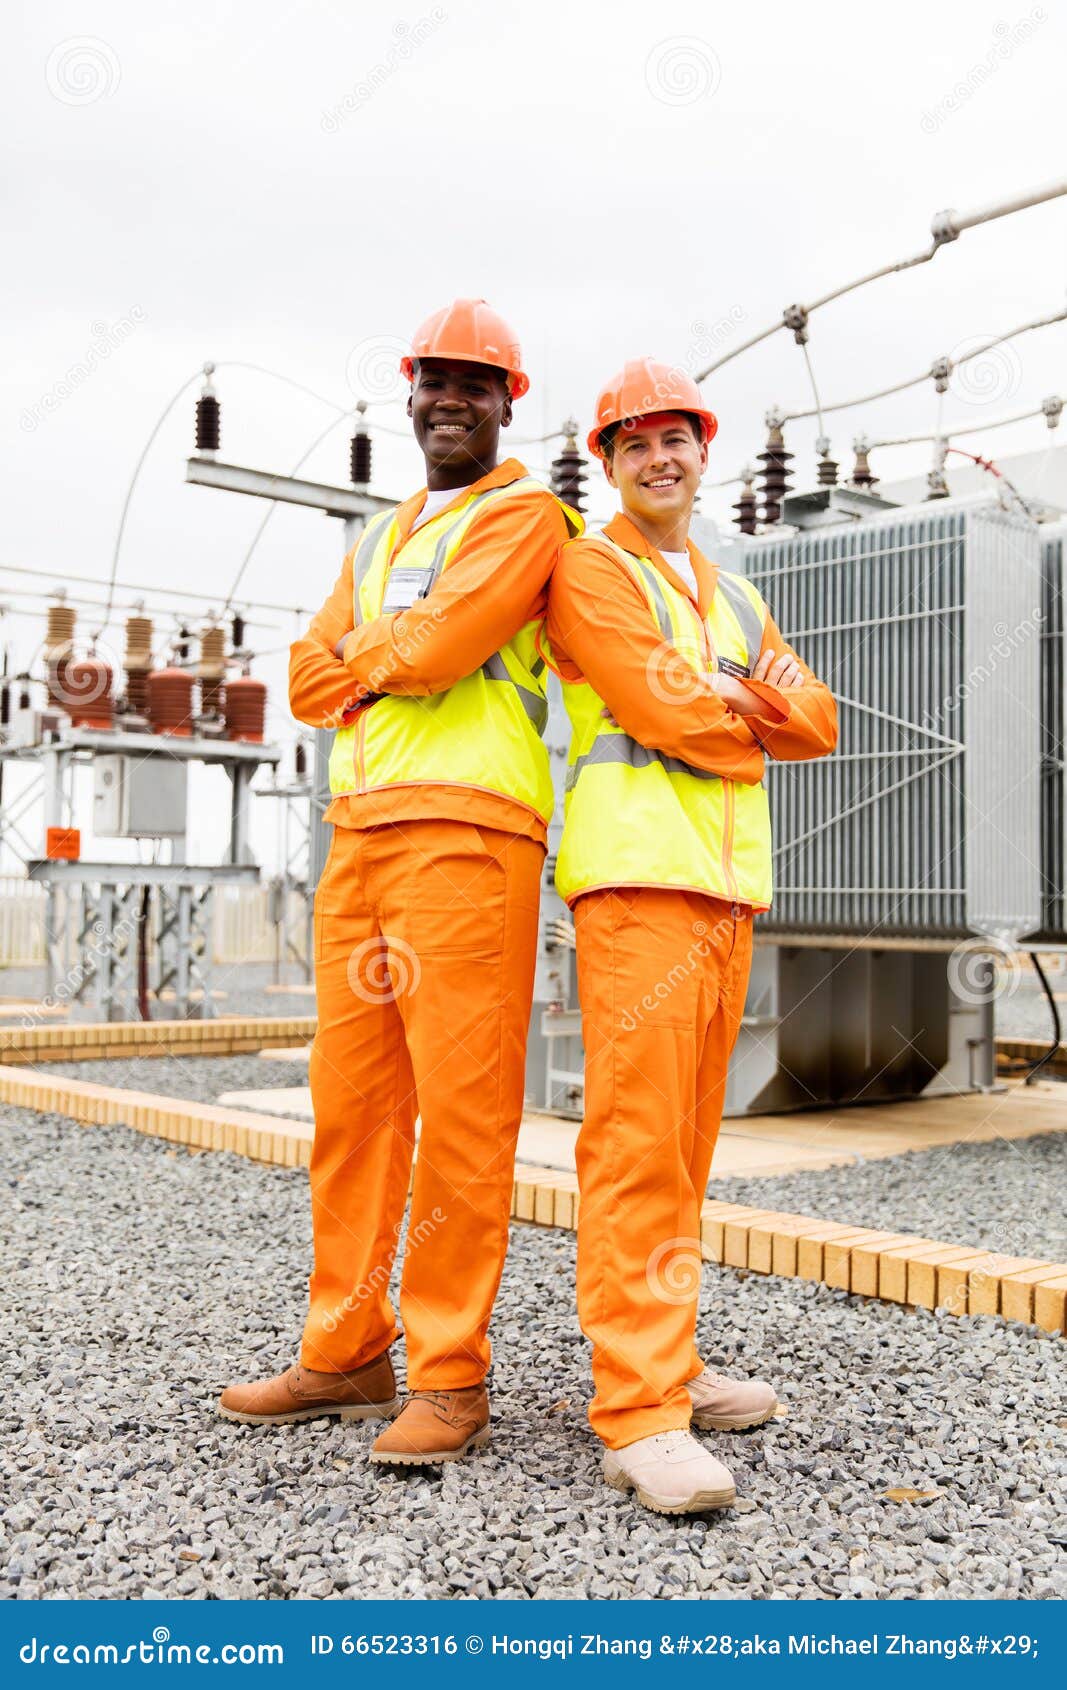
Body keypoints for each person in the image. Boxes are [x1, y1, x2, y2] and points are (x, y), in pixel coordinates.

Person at [219, 299, 581, 1465]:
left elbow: (435, 649)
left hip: (469, 837)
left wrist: (377, 662)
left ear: (507, 400)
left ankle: (448, 1374)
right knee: (353, 1110)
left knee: (461, 1120)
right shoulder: (379, 537)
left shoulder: (528, 514)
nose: (453, 399)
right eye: (437, 379)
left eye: (479, 383)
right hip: (361, 836)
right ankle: (344, 1350)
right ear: (411, 390)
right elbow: (305, 677)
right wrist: (385, 661)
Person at [543, 358, 837, 1514]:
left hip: (725, 893)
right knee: (633, 1144)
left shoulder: (729, 593)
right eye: (635, 443)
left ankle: (669, 1359)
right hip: (635, 884)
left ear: (700, 453)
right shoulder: (592, 567)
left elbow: (816, 721)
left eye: (677, 439)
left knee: (686, 1146)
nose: (660, 458)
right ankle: (636, 1409)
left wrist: (742, 705)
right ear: (609, 463)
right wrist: (741, 712)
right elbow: (664, 709)